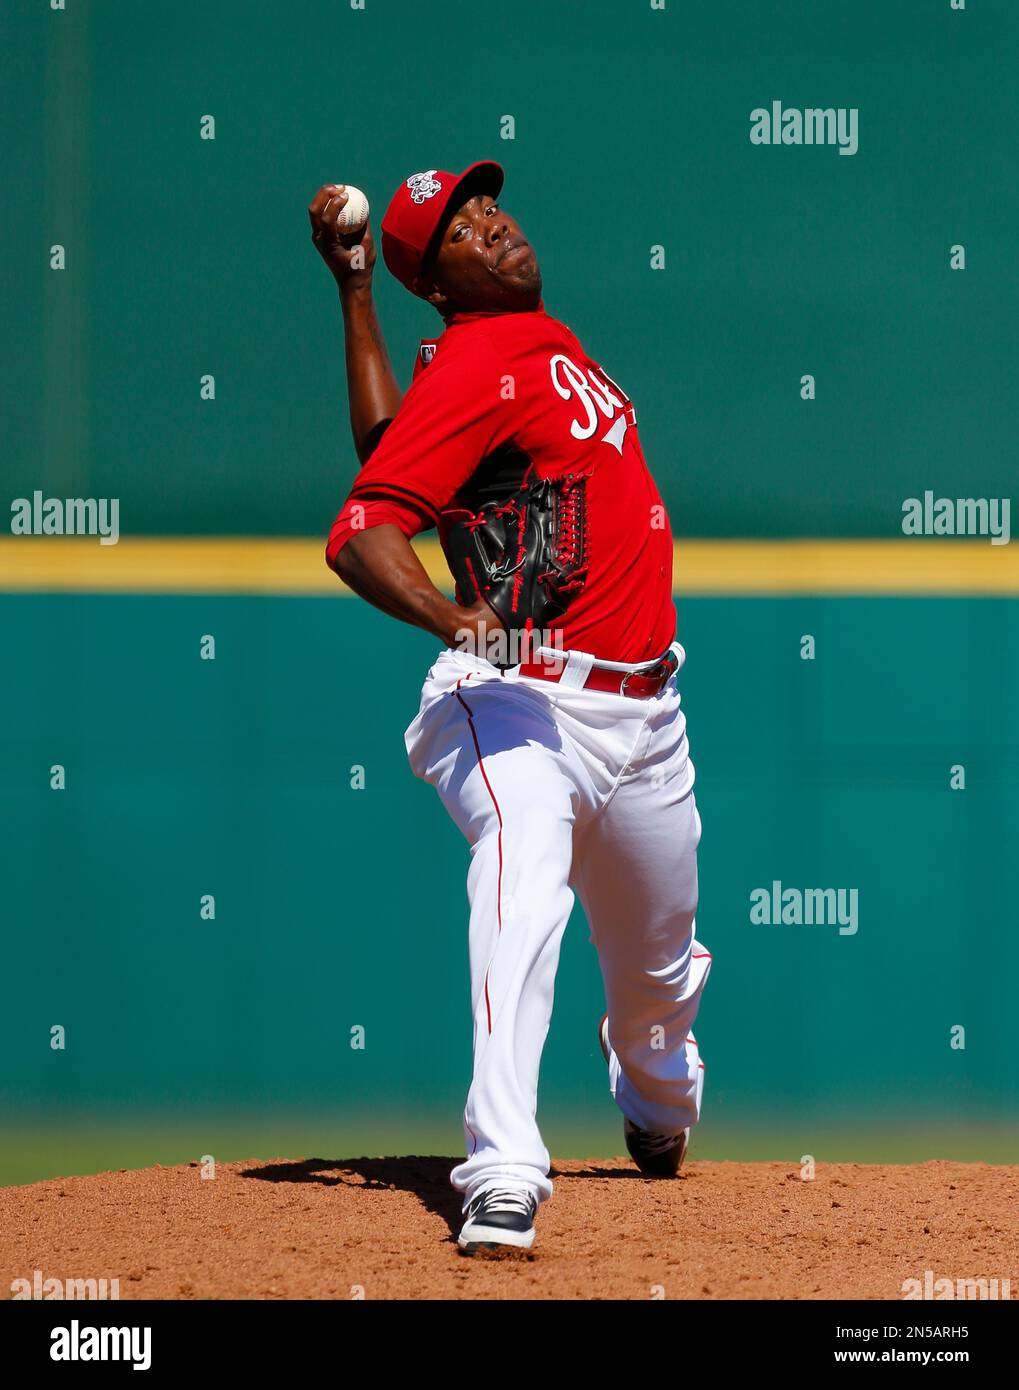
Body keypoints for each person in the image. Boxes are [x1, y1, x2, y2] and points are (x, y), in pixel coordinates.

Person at [308, 162, 711, 1254]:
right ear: (435, 284)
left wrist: (353, 291)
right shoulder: (484, 355)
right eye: (459, 228)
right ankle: (499, 1166)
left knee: (658, 981)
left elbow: (388, 452)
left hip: (642, 717)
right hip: (515, 696)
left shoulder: (527, 348)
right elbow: (361, 527)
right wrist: (454, 622)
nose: (491, 224)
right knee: (521, 867)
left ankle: (655, 1092)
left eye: (487, 206)